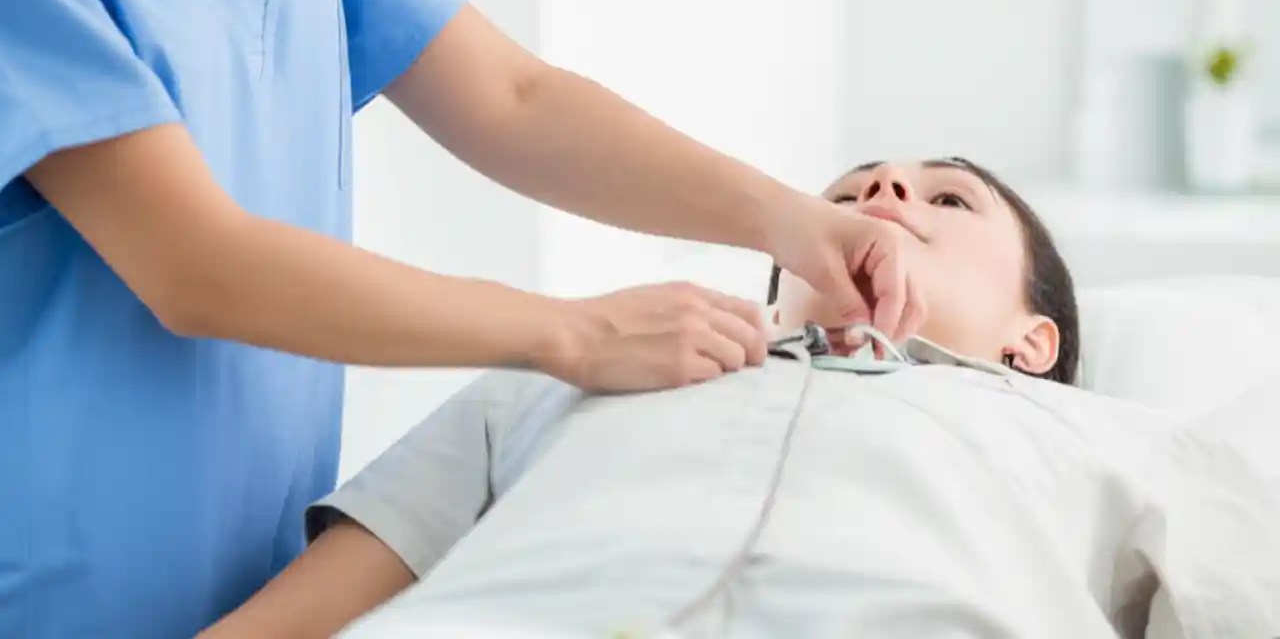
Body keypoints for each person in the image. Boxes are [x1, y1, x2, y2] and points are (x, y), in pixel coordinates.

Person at [0, 0, 928, 637]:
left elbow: (515, 100)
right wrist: (572, 333)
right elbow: (195, 266)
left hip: (255, 575)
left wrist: (790, 218)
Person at [200, 158, 1106, 637]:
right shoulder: (556, 378)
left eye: (948, 199)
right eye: (846, 193)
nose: (883, 191)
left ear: (1033, 344)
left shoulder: (1086, 441)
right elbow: (294, 622)